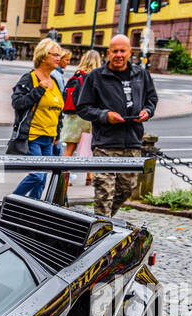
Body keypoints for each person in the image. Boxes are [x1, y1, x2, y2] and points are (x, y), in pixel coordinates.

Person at [77, 34, 158, 218]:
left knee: (127, 188)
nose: (119, 55)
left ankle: (103, 221)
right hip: (105, 144)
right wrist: (105, 116)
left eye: (123, 51)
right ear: (108, 53)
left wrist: (147, 110)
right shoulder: (96, 77)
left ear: (130, 52)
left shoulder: (141, 75)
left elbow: (151, 98)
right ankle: (101, 230)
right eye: (115, 51)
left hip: (132, 142)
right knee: (104, 193)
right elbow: (83, 108)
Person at [8, 39, 65, 200]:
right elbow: (18, 102)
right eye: (55, 55)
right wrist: (39, 90)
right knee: (37, 176)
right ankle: (11, 201)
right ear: (43, 56)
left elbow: (58, 112)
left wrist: (57, 136)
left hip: (49, 138)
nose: (58, 58)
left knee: (42, 180)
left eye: (59, 55)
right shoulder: (30, 79)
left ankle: (35, 209)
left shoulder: (55, 81)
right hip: (33, 136)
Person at [60, 48, 101, 183]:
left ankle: (64, 178)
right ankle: (89, 176)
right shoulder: (95, 77)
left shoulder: (77, 75)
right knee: (90, 147)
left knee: (69, 149)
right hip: (87, 117)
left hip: (72, 116)